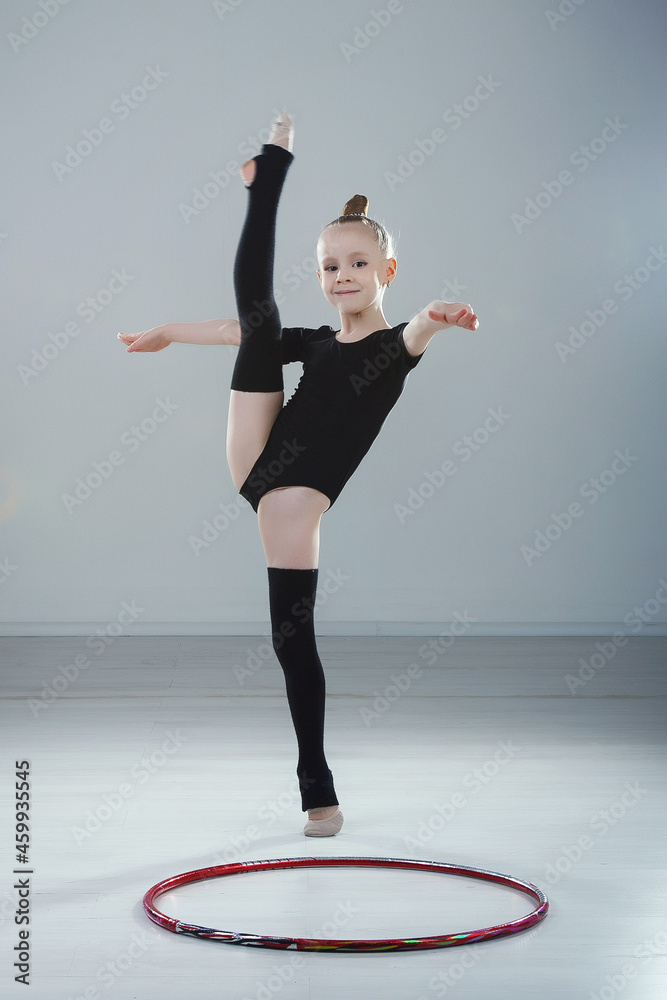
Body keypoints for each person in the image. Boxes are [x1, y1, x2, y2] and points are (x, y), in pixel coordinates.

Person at [118, 112, 478, 837]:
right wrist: (164, 331)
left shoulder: (389, 350)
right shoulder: (317, 343)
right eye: (328, 266)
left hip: (287, 502)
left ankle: (318, 790)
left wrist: (437, 317)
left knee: (291, 641)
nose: (340, 276)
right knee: (256, 323)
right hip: (254, 456)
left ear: (386, 273)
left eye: (355, 264)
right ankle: (269, 174)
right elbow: (234, 333)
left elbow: (414, 331)